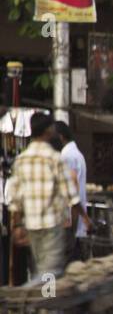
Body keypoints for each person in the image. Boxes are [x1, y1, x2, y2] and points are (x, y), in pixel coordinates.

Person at [9, 113, 86, 300]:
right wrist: (85, 217)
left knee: (43, 265)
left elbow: (15, 197)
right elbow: (71, 193)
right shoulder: (54, 158)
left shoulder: (22, 159)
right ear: (47, 131)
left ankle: (48, 307)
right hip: (52, 222)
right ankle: (23, 294)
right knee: (51, 268)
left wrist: (17, 225)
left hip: (32, 223)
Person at [53, 121, 91, 265]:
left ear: (60, 137)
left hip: (69, 224)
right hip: (73, 223)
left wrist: (73, 225)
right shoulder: (74, 154)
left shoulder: (67, 156)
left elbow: (71, 191)